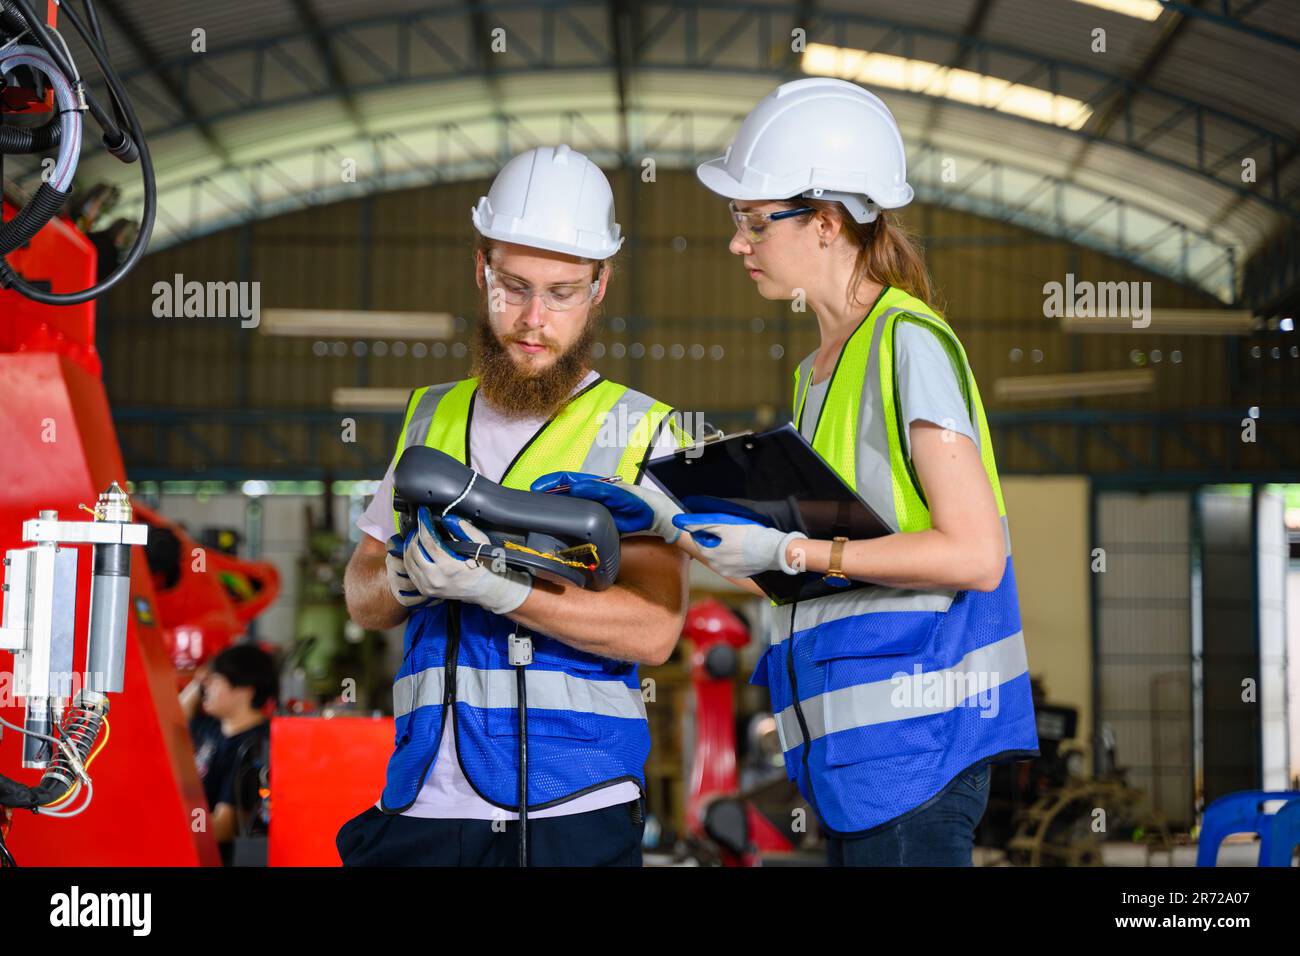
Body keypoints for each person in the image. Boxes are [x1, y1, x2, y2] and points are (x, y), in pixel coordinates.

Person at [538, 78, 1040, 866]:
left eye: (753, 221)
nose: (739, 243)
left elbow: (972, 555)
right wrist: (679, 526)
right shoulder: (816, 373)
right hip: (849, 760)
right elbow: (823, 572)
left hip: (919, 747)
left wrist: (790, 552)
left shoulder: (908, 342)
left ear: (829, 222)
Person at [336, 144, 692, 867]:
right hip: (421, 801)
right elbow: (361, 591)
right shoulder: (429, 415)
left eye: (562, 292)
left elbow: (654, 632)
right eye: (513, 286)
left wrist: (501, 589)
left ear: (599, 286)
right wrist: (405, 577)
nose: (533, 318)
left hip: (570, 807)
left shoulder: (645, 431)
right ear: (480, 269)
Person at [180, 643, 277, 866]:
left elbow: (224, 826)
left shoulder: (256, 746)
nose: (206, 688)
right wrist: (199, 680)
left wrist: (167, 826)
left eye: (214, 681)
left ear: (244, 690)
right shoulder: (210, 728)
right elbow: (173, 718)